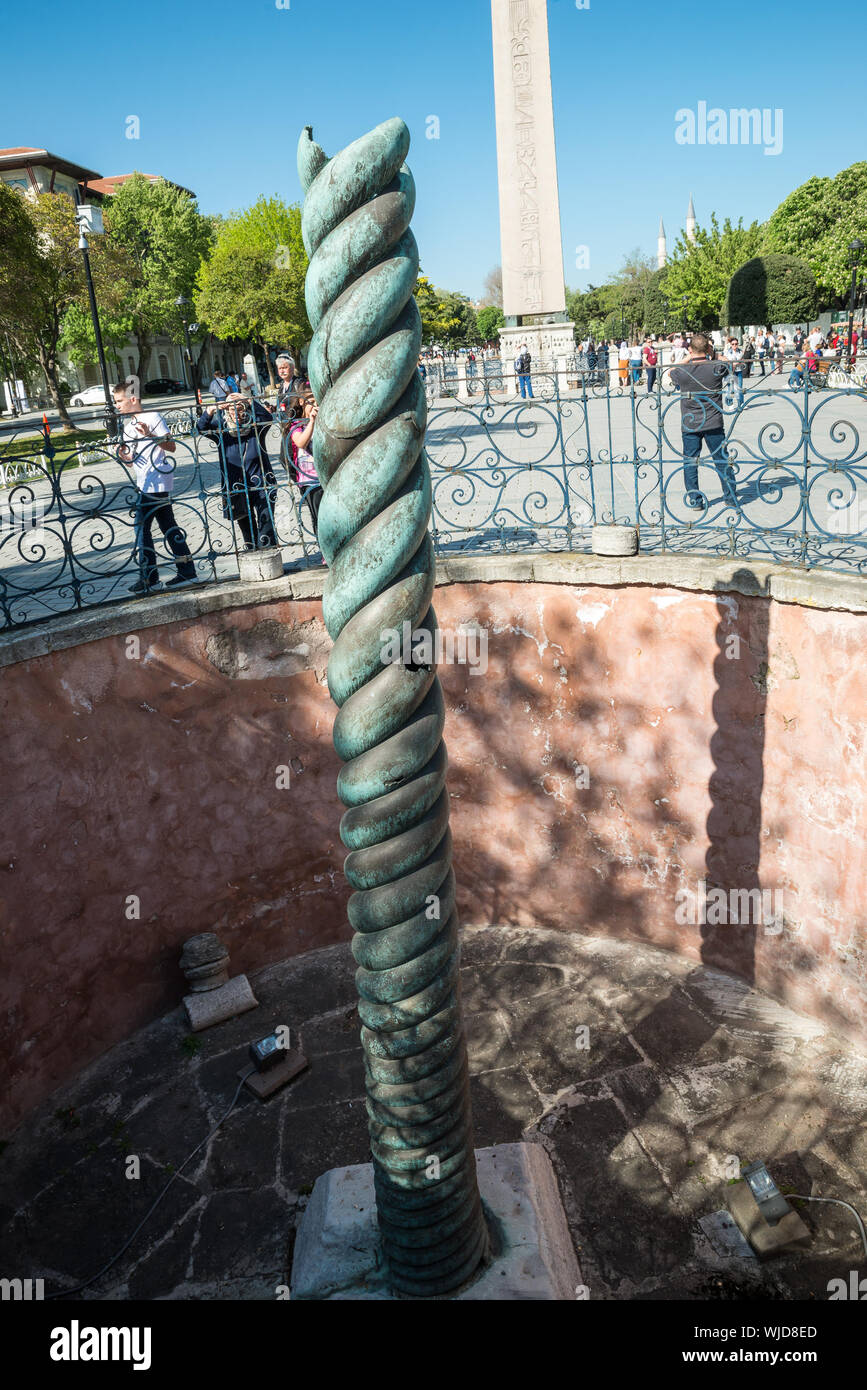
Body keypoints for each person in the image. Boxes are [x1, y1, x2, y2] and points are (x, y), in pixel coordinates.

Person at [113, 380, 197, 593]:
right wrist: (122, 454)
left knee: (141, 528)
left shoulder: (153, 417)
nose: (117, 406)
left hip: (158, 479)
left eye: (119, 401)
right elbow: (132, 460)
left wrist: (150, 434)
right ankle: (186, 569)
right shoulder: (127, 425)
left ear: (133, 399)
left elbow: (172, 446)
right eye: (115, 402)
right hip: (144, 481)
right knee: (168, 525)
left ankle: (149, 576)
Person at [196, 391, 277, 550]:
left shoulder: (256, 426)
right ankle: (253, 558)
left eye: (239, 408)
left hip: (262, 483)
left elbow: (268, 418)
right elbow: (201, 428)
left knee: (265, 527)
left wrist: (249, 400)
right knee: (247, 531)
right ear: (226, 411)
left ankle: (269, 557)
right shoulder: (221, 430)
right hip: (236, 487)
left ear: (246, 409)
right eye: (232, 409)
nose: (236, 412)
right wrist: (211, 409)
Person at [670, 332, 739, 511]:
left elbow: (670, 370)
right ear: (708, 349)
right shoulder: (715, 367)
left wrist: (687, 357)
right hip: (713, 421)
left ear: (690, 350)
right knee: (721, 460)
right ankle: (730, 497)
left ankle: (695, 500)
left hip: (690, 423)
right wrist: (713, 354)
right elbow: (731, 364)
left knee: (690, 462)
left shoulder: (683, 371)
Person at [287, 389, 325, 550]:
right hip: (309, 479)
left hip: (326, 475)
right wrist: (312, 421)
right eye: (311, 403)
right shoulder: (296, 425)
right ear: (302, 402)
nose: (315, 406)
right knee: (319, 516)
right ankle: (325, 551)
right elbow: (301, 442)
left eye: (317, 403)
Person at [723, 337, 745, 407]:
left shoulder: (740, 351)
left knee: (740, 387)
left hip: (738, 371)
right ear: (730, 344)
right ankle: (730, 404)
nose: (734, 345)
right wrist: (734, 363)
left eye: (736, 344)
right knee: (731, 388)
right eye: (733, 344)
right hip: (730, 372)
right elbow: (726, 361)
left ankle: (741, 403)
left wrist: (735, 363)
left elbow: (740, 360)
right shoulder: (727, 352)